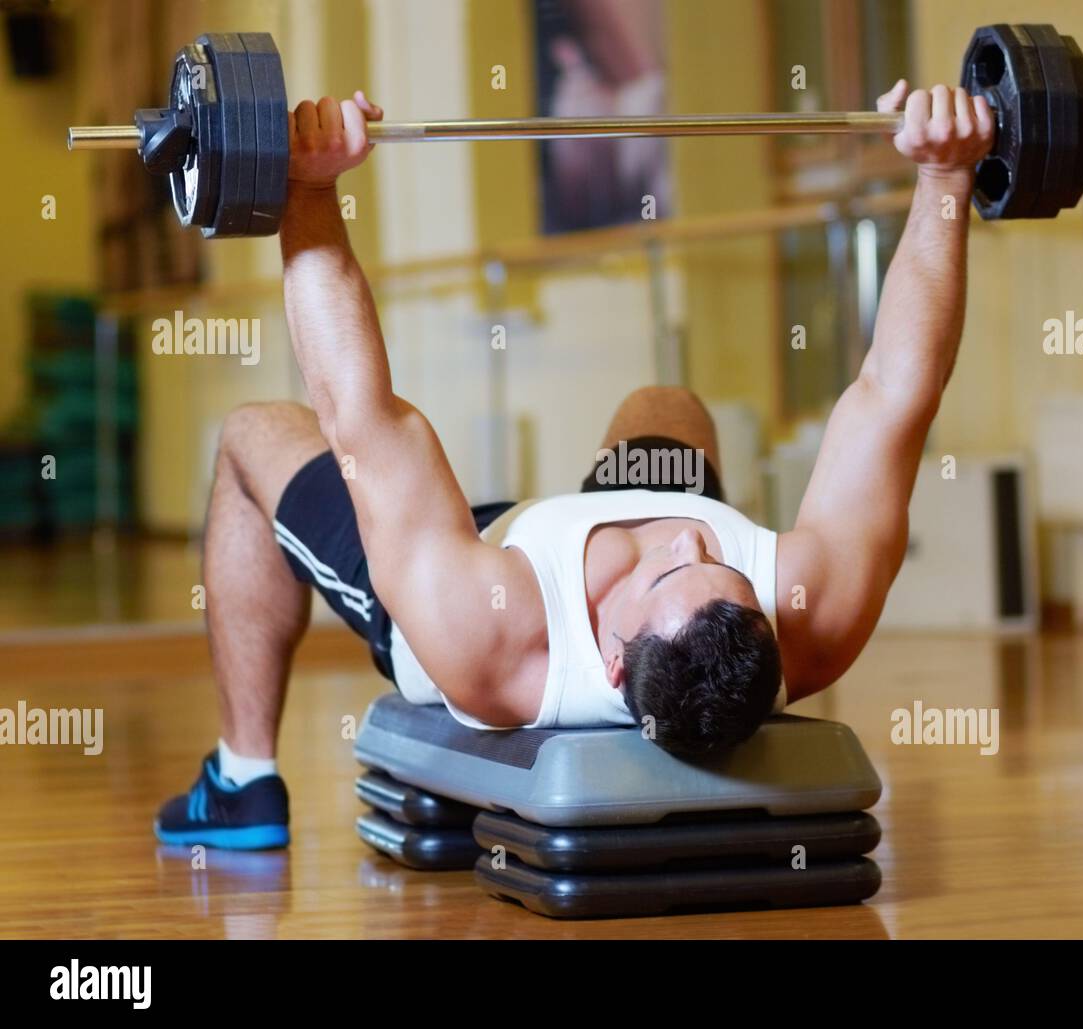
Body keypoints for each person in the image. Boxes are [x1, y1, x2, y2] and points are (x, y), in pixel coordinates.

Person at [155, 79, 995, 849]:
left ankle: (242, 780)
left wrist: (308, 190)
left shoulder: (487, 631)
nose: (692, 541)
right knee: (666, 408)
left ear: (617, 660)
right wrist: (946, 177)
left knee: (251, 436)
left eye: (678, 572)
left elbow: (362, 415)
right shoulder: (813, 607)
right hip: (576, 564)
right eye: (727, 572)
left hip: (475, 561)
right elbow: (898, 391)